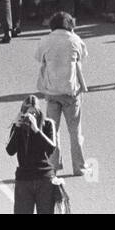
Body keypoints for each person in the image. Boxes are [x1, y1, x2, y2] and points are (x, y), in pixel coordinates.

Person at [35, 12, 91, 176]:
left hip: (51, 92)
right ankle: (79, 166)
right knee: (75, 132)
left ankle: (53, 166)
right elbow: (83, 57)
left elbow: (39, 58)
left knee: (52, 130)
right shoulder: (75, 40)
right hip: (70, 93)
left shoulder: (45, 40)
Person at [6, 95, 59, 214]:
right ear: (22, 113)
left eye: (34, 113)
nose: (31, 117)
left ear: (39, 111)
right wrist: (18, 127)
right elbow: (10, 150)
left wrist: (37, 130)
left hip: (44, 179)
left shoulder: (48, 124)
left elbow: (51, 149)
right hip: (24, 179)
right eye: (28, 113)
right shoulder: (18, 126)